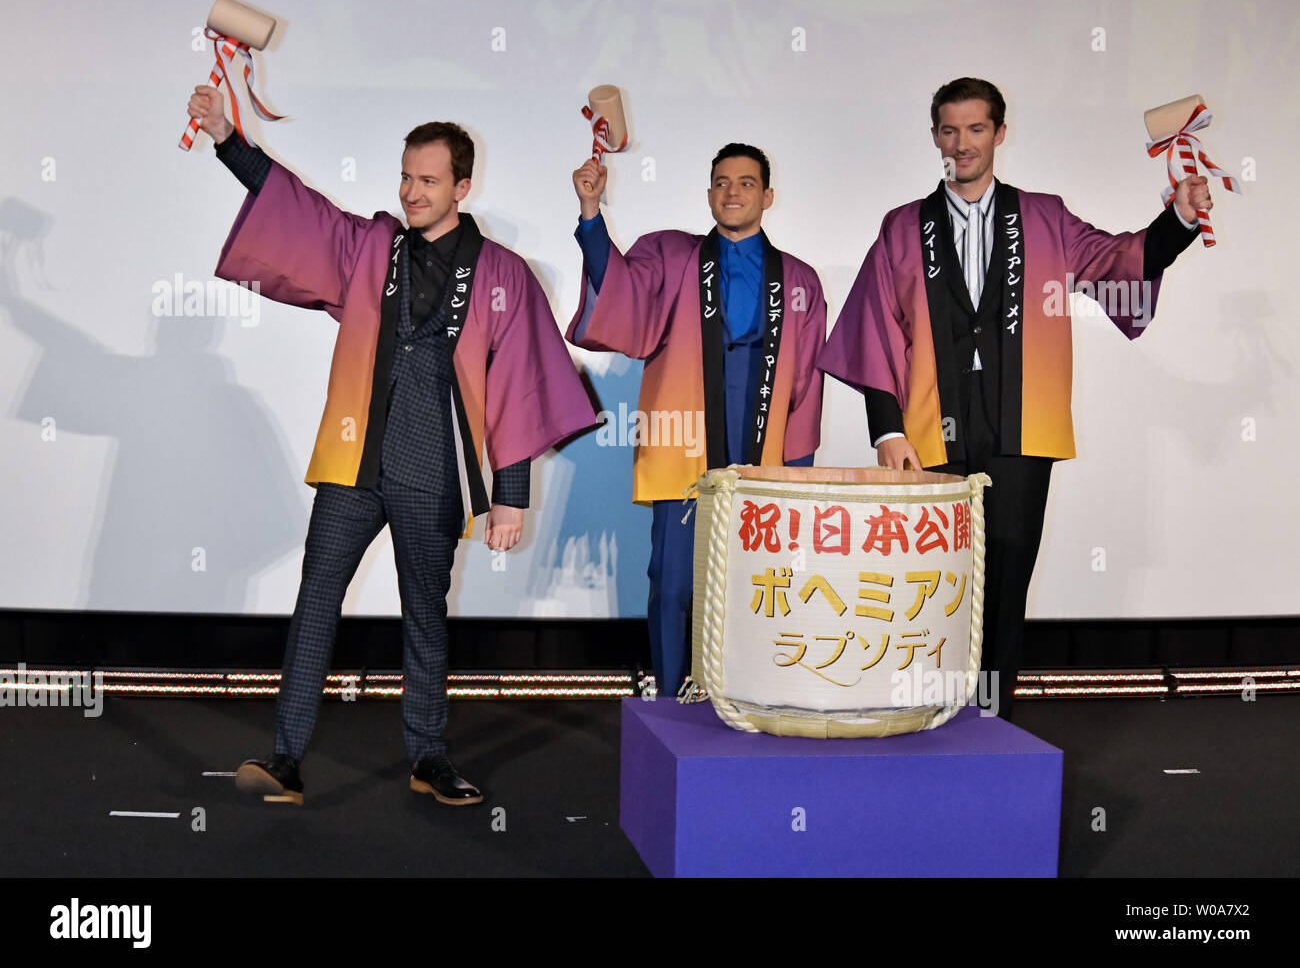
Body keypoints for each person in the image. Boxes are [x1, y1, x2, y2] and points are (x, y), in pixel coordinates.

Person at [185, 85, 596, 804]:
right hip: (357, 461)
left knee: (425, 618)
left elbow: (522, 388)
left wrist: (510, 498)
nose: (410, 191)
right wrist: (228, 139)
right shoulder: (374, 247)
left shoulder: (502, 275)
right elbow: (298, 209)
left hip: (435, 473)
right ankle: (285, 758)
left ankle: (428, 757)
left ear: (463, 186)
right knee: (316, 601)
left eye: (427, 180)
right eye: (405, 176)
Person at [818, 77, 1211, 720]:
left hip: (1022, 430)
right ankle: (924, 716)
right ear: (935, 137)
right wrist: (886, 431)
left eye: (976, 129)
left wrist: (1179, 221)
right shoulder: (901, 228)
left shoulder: (1045, 217)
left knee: (1005, 584)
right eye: (949, 130)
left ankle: (989, 719)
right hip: (926, 432)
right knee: (930, 583)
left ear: (1001, 133)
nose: (962, 143)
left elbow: (1117, 263)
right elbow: (874, 329)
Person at [567, 144, 826, 697]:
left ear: (769, 196)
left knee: (759, 583)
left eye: (747, 183)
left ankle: (748, 694)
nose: (733, 193)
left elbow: (806, 384)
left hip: (764, 444)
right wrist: (592, 214)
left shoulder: (801, 280)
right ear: (709, 194)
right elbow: (621, 290)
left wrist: (797, 474)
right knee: (673, 582)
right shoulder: (670, 256)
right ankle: (666, 694)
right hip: (685, 437)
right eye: (722, 183)